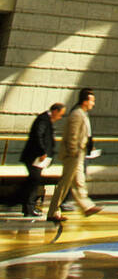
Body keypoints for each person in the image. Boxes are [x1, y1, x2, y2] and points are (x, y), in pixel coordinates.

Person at [46, 88, 102, 224]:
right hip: (74, 155)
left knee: (78, 182)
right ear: (85, 101)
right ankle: (53, 211)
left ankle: (86, 206)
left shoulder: (82, 113)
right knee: (65, 183)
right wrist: (73, 153)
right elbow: (72, 136)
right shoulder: (77, 114)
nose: (93, 104)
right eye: (92, 101)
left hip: (78, 154)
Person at [13, 103, 65, 216]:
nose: (60, 117)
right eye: (60, 114)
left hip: (39, 158)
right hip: (35, 157)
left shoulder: (47, 120)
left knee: (33, 181)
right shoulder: (43, 119)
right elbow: (38, 135)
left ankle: (27, 207)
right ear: (55, 111)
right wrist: (42, 151)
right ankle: (28, 207)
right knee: (33, 181)